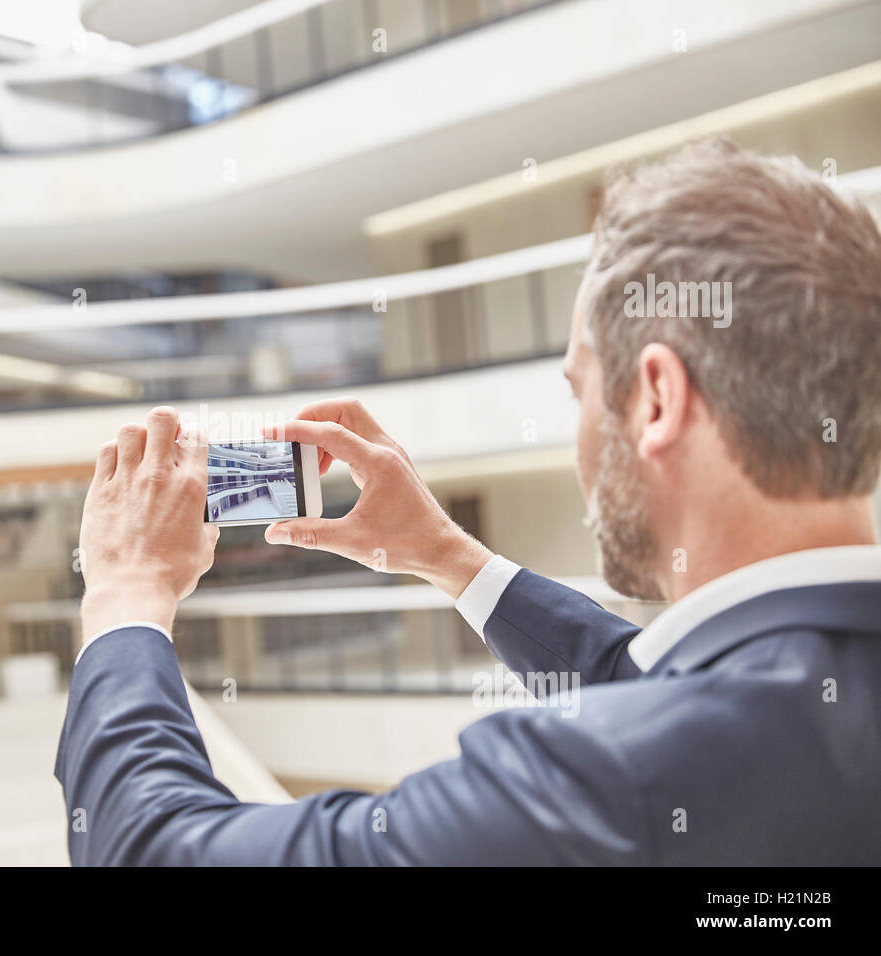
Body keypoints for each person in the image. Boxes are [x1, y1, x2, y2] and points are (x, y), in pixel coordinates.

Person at [54, 138, 881, 865]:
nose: (580, 435)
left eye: (580, 392)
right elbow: (646, 682)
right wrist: (445, 555)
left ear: (657, 399)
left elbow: (150, 853)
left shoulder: (608, 779)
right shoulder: (788, 702)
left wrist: (127, 597)